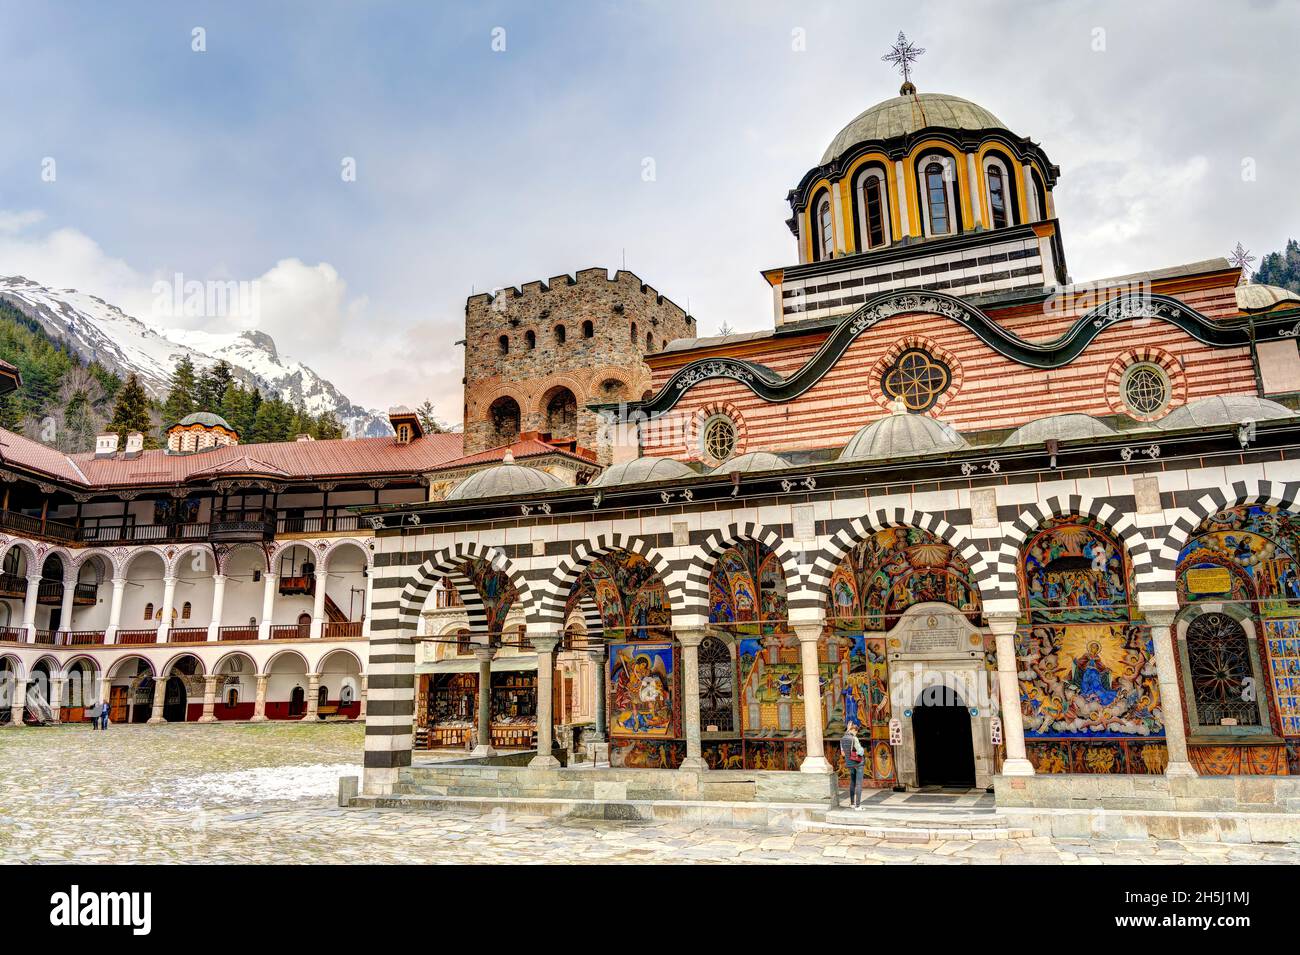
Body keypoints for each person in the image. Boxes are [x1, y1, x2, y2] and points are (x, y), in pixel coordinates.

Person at [840, 721, 866, 810]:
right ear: (854, 730)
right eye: (856, 732)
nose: (856, 733)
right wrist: (862, 749)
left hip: (849, 763)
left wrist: (848, 729)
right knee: (859, 784)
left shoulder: (842, 739)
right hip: (858, 763)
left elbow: (843, 753)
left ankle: (852, 804)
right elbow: (860, 751)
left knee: (852, 782)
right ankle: (858, 806)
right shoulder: (854, 738)